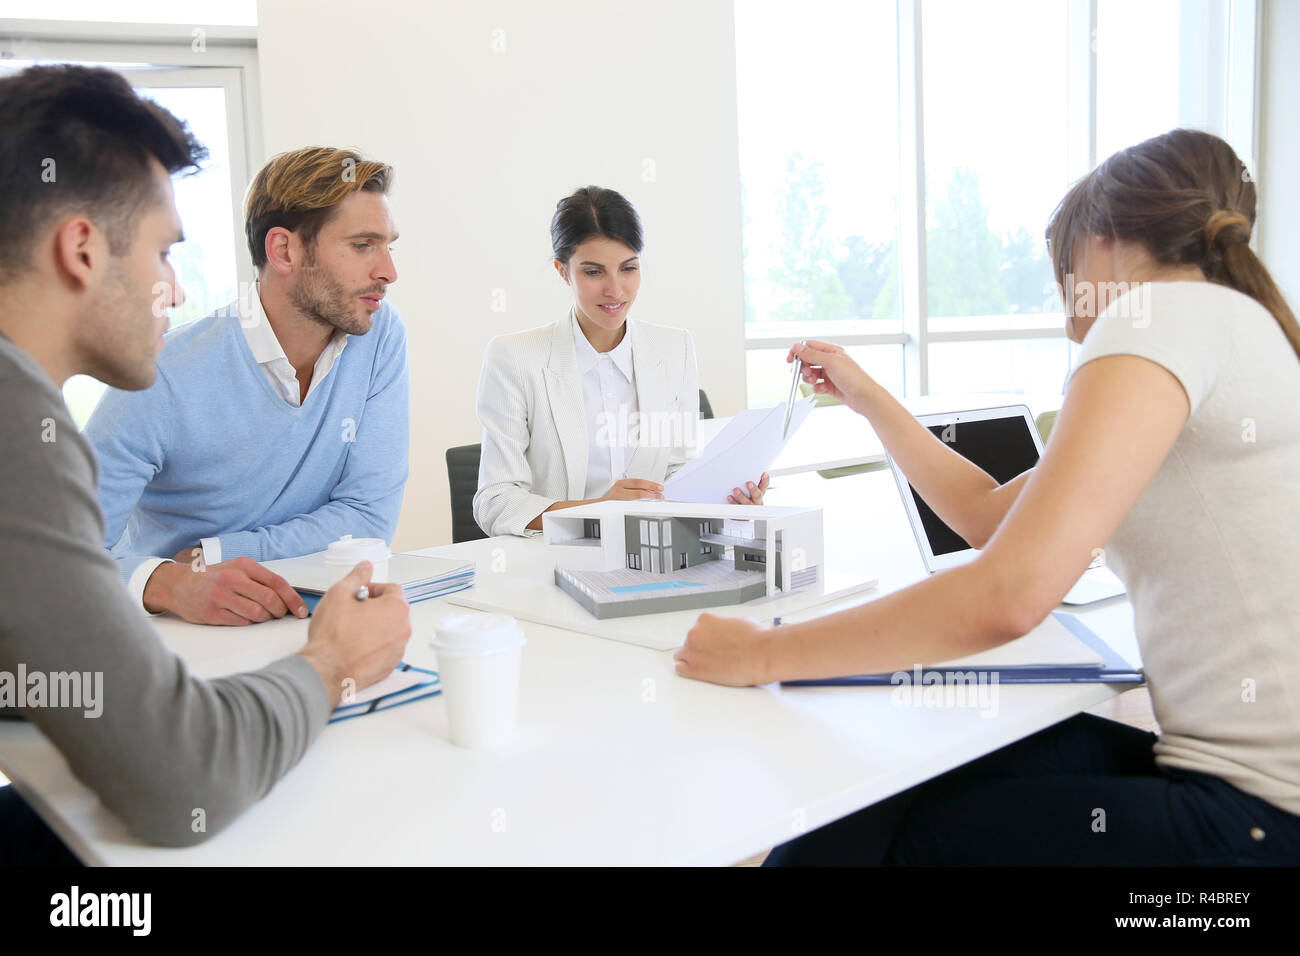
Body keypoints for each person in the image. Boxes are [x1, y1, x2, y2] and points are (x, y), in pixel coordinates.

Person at [675, 128, 1300, 865]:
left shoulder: (1155, 318)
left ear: (1098, 240)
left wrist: (764, 653)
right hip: (1249, 803)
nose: (1067, 306)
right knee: (874, 803)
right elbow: (989, 518)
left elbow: (1006, 595)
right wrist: (867, 395)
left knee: (861, 842)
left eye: (1061, 269)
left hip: (1251, 830)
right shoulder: (1238, 326)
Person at [0, 64, 410, 863]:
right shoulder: (22, 434)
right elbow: (183, 779)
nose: (177, 291)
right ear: (81, 249)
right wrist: (330, 662)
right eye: (163, 253)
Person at [83, 146, 409, 625]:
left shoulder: (378, 333)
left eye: (388, 245)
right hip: (181, 631)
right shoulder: (163, 374)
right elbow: (62, 551)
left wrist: (213, 553)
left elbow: (369, 518)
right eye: (363, 245)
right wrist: (167, 581)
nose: (388, 272)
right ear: (284, 250)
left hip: (309, 612)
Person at [473, 185, 768, 537]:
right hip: (551, 564)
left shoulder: (675, 349)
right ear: (563, 271)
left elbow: (679, 471)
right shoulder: (515, 358)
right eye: (594, 272)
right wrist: (598, 512)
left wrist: (724, 497)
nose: (615, 290)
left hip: (655, 556)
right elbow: (495, 503)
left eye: (628, 269)